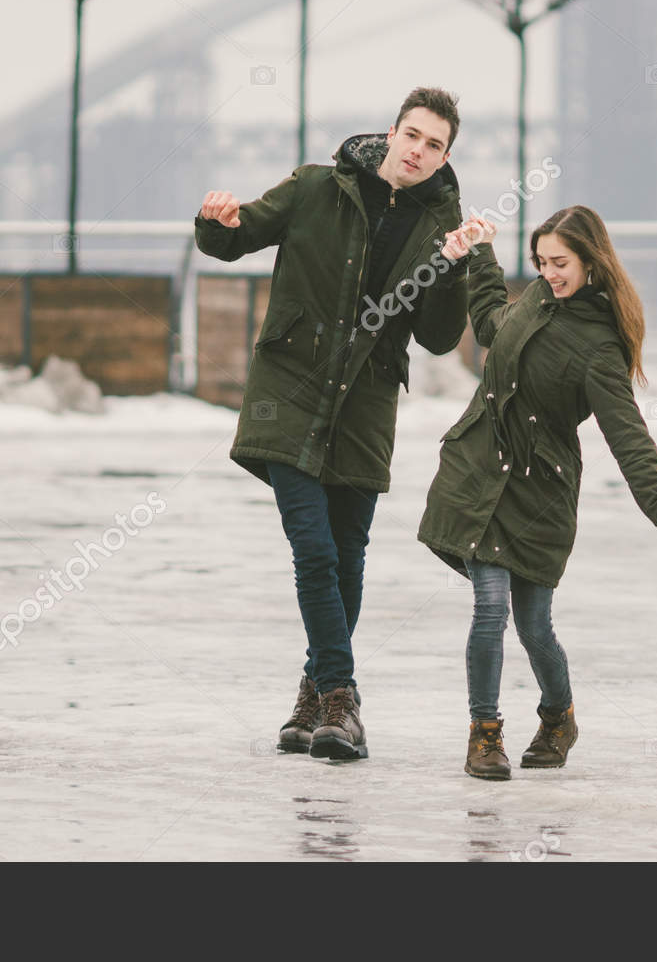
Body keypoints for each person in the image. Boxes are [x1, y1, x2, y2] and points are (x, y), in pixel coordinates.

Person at [195, 87, 479, 761]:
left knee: (348, 555)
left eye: (434, 144)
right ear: (392, 132)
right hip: (289, 391)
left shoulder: (442, 224)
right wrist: (217, 221)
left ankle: (311, 696)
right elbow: (236, 239)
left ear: (445, 156)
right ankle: (343, 697)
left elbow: (440, 338)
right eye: (412, 134)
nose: (418, 150)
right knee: (315, 549)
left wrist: (456, 268)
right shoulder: (317, 187)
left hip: (366, 401)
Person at [417, 205, 657, 780]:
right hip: (480, 474)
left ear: (590, 260)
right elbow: (491, 325)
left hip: (539, 495)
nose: (549, 273)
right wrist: (480, 252)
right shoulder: (534, 302)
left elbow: (629, 437)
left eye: (561, 263)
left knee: (534, 627)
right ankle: (484, 734)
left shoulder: (601, 347)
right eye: (542, 262)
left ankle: (559, 718)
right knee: (490, 607)